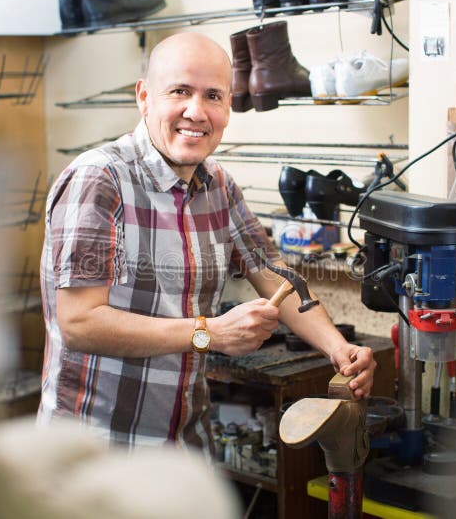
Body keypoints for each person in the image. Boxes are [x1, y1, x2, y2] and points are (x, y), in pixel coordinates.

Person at [38, 32, 376, 459]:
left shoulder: (218, 185)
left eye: (212, 96)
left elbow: (274, 276)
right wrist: (208, 333)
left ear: (228, 107)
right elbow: (79, 322)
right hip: (96, 455)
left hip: (184, 446)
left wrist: (337, 348)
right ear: (144, 97)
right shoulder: (99, 180)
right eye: (180, 91)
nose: (195, 112)